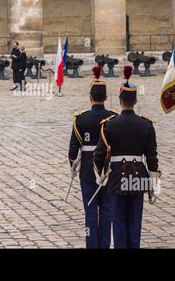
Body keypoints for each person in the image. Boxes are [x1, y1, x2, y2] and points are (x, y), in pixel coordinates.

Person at [94, 65, 160, 249]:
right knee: (135, 223)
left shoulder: (109, 125)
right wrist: (153, 185)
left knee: (119, 223)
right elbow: (152, 158)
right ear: (135, 101)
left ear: (120, 100)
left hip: (116, 176)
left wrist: (101, 176)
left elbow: (99, 155)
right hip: (139, 176)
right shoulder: (146, 125)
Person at [68, 66, 117, 248]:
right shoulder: (113, 118)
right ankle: (105, 244)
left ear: (90, 98)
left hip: (88, 170)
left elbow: (73, 149)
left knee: (90, 211)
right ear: (105, 98)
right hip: (108, 170)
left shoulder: (81, 119)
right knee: (106, 210)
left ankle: (92, 244)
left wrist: (73, 167)